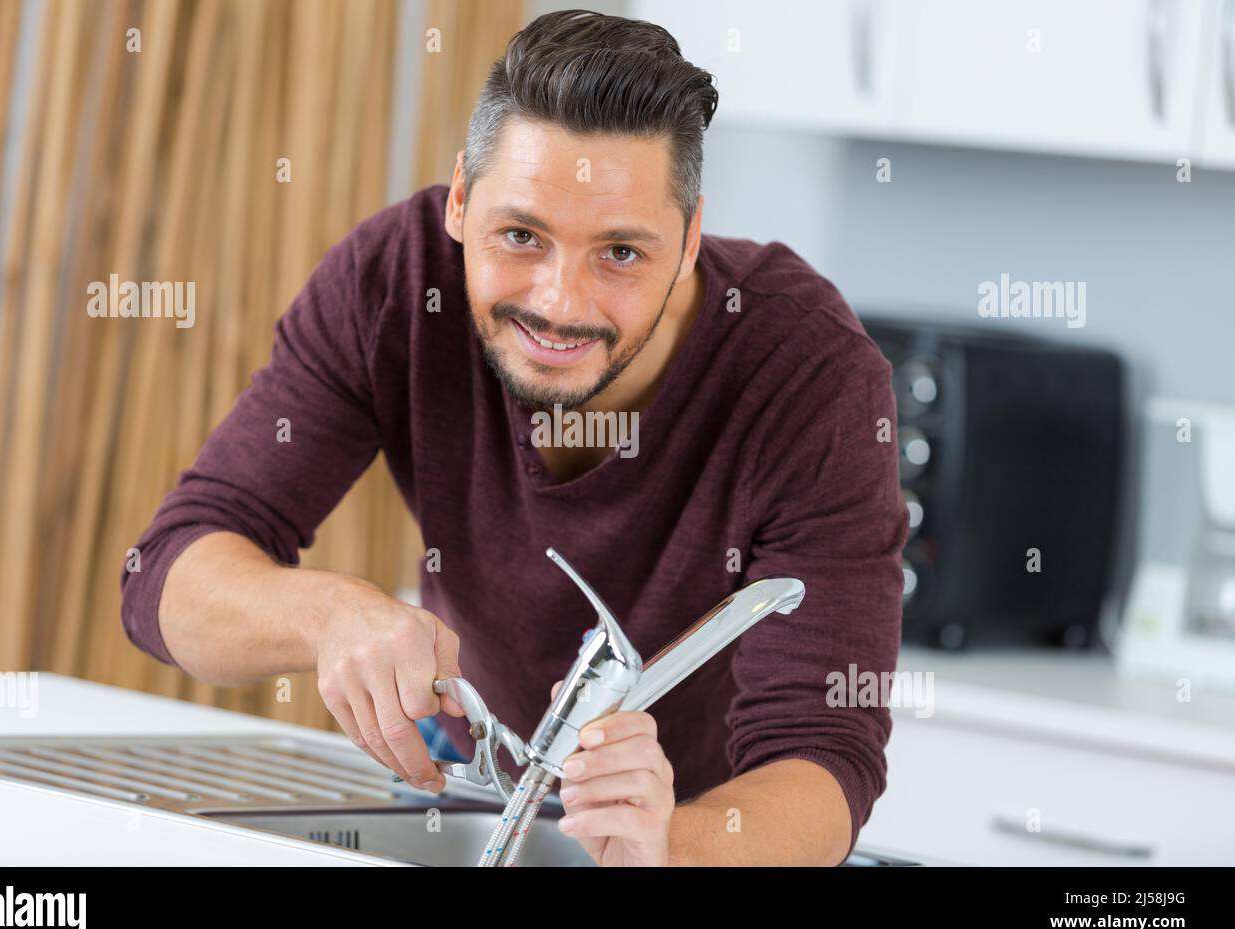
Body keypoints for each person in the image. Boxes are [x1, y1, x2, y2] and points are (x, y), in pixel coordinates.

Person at [121, 9, 906, 866]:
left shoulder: (809, 370)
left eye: (620, 254)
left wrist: (670, 845)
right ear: (460, 199)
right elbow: (165, 577)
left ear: (688, 243)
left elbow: (825, 759)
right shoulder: (396, 283)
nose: (560, 304)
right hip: (468, 801)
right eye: (521, 236)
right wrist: (328, 616)